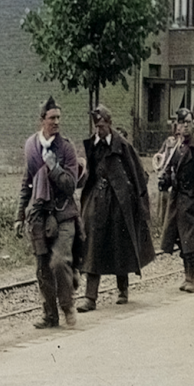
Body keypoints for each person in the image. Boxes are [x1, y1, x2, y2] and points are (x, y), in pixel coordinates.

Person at [76, 105, 155, 312]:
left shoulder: (123, 146)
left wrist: (136, 200)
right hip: (97, 201)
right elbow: (89, 173)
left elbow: (139, 175)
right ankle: (90, 298)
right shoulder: (93, 145)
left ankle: (123, 289)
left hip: (119, 203)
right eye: (96, 127)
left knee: (120, 245)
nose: (98, 130)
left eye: (101, 126)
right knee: (93, 247)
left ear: (109, 124)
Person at [15, 97, 79, 328]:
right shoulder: (31, 146)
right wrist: (19, 214)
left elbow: (71, 184)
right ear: (42, 120)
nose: (56, 122)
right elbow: (27, 181)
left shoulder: (67, 148)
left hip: (63, 214)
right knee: (42, 268)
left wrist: (54, 167)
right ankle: (50, 315)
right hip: (39, 215)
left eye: (59, 118)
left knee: (59, 262)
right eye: (52, 118)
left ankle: (67, 306)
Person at [158, 108, 194, 293]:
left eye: (189, 123)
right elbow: (170, 171)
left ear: (193, 125)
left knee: (190, 243)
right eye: (182, 123)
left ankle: (191, 278)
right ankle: (186, 276)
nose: (185, 126)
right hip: (177, 202)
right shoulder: (175, 147)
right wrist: (165, 181)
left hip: (192, 202)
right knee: (180, 241)